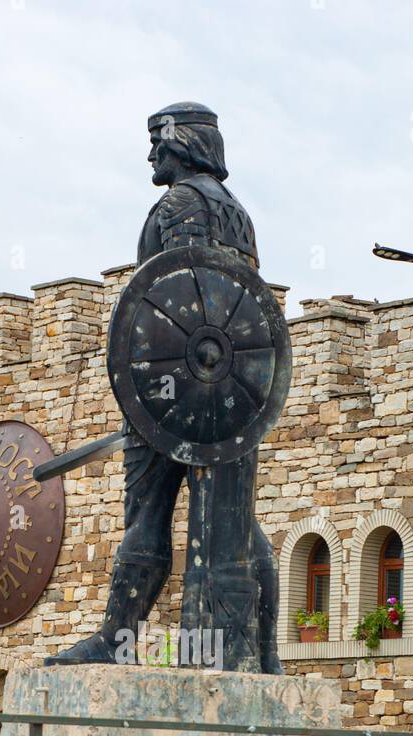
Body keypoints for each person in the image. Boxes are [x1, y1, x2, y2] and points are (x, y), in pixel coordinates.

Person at [47, 101, 282, 673]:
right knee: (237, 523)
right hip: (234, 397)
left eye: (159, 142)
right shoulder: (238, 213)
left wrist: (154, 393)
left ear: (183, 144)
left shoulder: (181, 205)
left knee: (147, 516)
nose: (151, 154)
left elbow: (186, 297)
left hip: (173, 393)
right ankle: (263, 654)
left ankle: (117, 638)